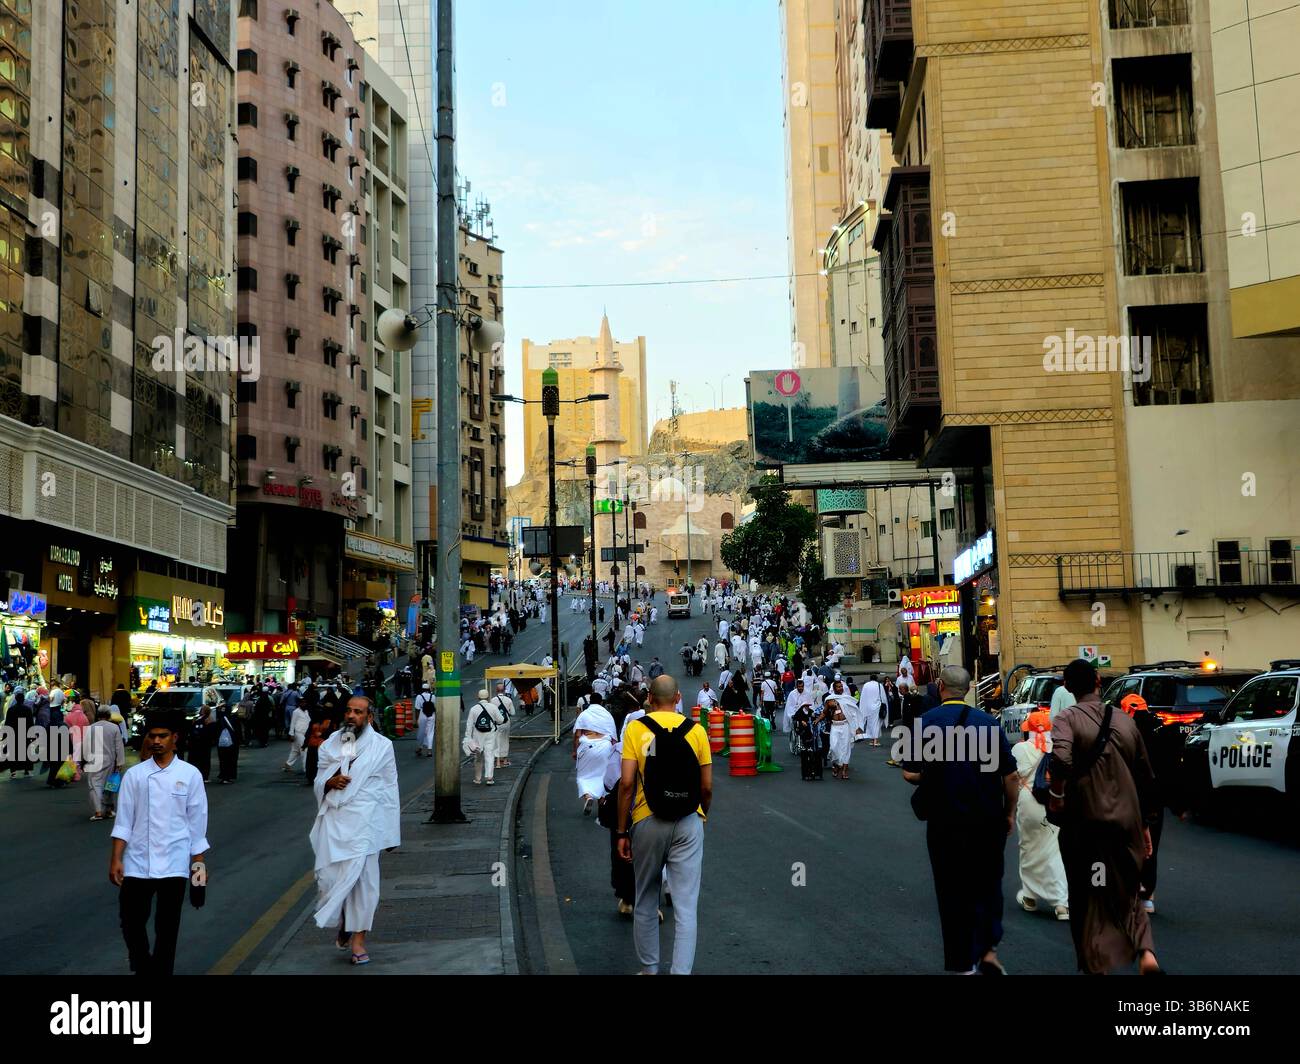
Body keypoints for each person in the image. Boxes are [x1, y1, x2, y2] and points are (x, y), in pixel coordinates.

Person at [1048, 660, 1162, 975]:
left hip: (1087, 825)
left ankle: (1095, 965)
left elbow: (1060, 758)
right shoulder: (1126, 721)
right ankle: (1146, 952)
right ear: (1099, 681)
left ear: (1068, 687)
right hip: (1127, 822)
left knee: (1090, 893)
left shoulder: (1066, 719)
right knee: (1128, 888)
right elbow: (1146, 777)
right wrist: (1145, 826)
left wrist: (1057, 796)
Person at [902, 666, 1018, 975]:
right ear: (967, 690)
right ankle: (988, 952)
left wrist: (934, 773)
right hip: (987, 821)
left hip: (945, 823)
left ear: (940, 686)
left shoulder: (925, 723)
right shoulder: (989, 724)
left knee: (951, 890)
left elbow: (909, 772)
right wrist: (1010, 813)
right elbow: (1011, 776)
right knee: (988, 885)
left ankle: (960, 963)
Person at [616, 675, 712, 975]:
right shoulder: (696, 731)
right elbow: (706, 787)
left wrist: (622, 830)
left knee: (645, 896)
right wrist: (700, 814)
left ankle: (649, 969)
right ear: (678, 697)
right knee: (686, 906)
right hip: (688, 820)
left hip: (647, 820)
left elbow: (628, 783)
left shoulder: (636, 729)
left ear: (649, 699)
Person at [109, 710, 209, 976]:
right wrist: (116, 858)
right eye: (152, 736)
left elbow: (197, 822)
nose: (156, 741)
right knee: (130, 921)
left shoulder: (190, 775)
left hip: (174, 862)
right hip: (137, 861)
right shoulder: (135, 775)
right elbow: (123, 820)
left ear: (174, 739)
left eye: (162, 736)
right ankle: (142, 965)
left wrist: (198, 866)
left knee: (167, 926)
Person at [310, 695, 401, 966]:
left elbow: (389, 789)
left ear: (369, 717)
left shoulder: (382, 747)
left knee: (364, 884)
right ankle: (344, 922)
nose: (351, 716)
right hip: (335, 822)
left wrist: (390, 832)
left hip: (366, 825)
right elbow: (318, 778)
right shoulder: (330, 744)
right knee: (329, 882)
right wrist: (329, 781)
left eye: (358, 712)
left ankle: (359, 941)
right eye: (349, 711)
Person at [1011, 711, 1069, 920]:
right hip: (1054, 801)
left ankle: (1029, 896)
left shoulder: (1019, 749)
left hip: (1028, 802)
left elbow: (1012, 776)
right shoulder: (1059, 750)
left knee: (1027, 848)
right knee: (1054, 851)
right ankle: (1061, 903)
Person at [573, 703, 617, 816]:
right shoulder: (607, 715)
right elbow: (614, 737)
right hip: (605, 745)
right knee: (602, 775)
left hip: (588, 745)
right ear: (601, 703)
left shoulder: (584, 714)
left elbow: (577, 735)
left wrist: (575, 750)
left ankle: (588, 796)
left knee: (583, 776)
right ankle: (602, 800)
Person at [83, 705, 125, 821]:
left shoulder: (91, 728)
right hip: (110, 759)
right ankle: (109, 810)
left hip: (93, 759)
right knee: (109, 785)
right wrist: (120, 762)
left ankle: (98, 811)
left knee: (94, 785)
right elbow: (119, 746)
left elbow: (85, 746)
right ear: (109, 716)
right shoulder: (114, 728)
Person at [463, 689, 506, 785]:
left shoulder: (473, 709)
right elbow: (501, 720)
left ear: (478, 697)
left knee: (478, 757)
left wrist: (468, 738)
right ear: (488, 697)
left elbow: (469, 725)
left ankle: (478, 778)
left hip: (477, 735)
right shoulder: (493, 707)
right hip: (490, 734)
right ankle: (489, 778)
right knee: (489, 755)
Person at [826, 697, 855, 780]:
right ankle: (837, 765)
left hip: (845, 725)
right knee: (833, 747)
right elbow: (824, 712)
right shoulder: (829, 699)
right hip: (835, 726)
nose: (840, 688)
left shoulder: (845, 699)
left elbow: (853, 713)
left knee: (846, 748)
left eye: (841, 686)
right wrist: (817, 719)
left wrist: (856, 727)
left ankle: (844, 771)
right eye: (838, 687)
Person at [213, 695, 240, 784]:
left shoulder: (219, 720)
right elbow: (238, 732)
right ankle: (228, 777)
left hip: (221, 744)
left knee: (222, 760)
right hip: (232, 743)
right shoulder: (234, 719)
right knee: (230, 760)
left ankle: (223, 775)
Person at [492, 681, 514, 769]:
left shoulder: (492, 700)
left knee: (496, 741)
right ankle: (504, 761)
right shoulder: (508, 700)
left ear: (496, 690)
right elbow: (512, 712)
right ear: (504, 690)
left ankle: (497, 762)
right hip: (506, 722)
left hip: (496, 723)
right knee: (505, 740)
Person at [286, 695, 311, 772]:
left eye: (305, 702)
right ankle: (305, 769)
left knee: (295, 750)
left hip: (305, 733)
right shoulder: (296, 712)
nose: (304, 704)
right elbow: (292, 723)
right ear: (299, 704)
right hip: (298, 733)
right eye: (302, 703)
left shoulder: (306, 711)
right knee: (304, 750)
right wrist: (291, 734)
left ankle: (288, 764)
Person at [414, 683, 436, 758]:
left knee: (421, 732)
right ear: (428, 689)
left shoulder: (419, 697)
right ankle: (429, 750)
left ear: (422, 689)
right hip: (431, 715)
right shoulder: (433, 696)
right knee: (430, 732)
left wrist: (416, 720)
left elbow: (417, 709)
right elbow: (435, 707)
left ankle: (420, 747)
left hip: (422, 715)